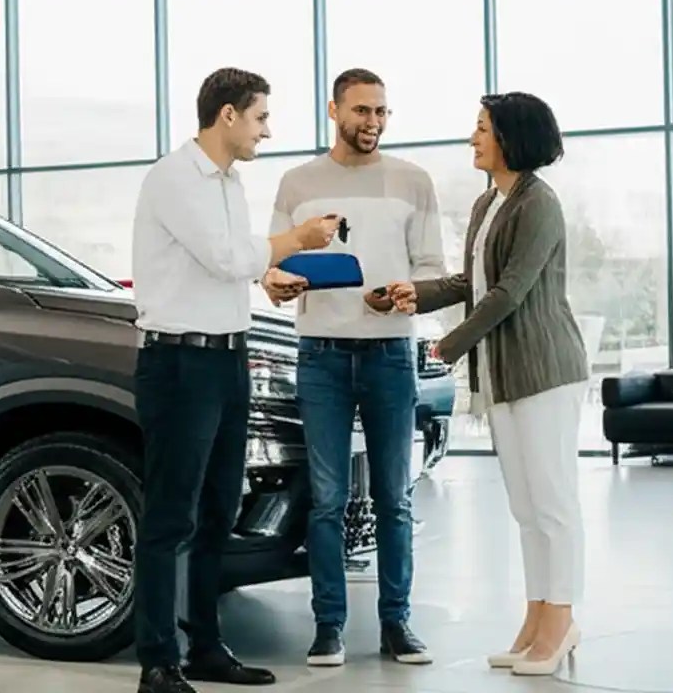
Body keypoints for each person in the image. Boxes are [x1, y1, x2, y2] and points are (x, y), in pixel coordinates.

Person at [130, 67, 340, 693]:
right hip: (178, 363)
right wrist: (293, 241)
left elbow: (227, 264)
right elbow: (225, 255)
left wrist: (270, 274)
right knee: (171, 515)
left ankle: (204, 648)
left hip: (225, 359)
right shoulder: (174, 178)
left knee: (219, 507)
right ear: (227, 115)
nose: (266, 131)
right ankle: (157, 663)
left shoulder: (230, 185)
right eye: (260, 118)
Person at [386, 91, 588, 677]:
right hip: (503, 375)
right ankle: (537, 617)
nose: (472, 138)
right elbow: (472, 281)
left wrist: (446, 346)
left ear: (510, 137)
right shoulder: (488, 204)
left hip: (545, 371)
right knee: (527, 508)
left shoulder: (538, 205)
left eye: (481, 129)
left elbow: (509, 293)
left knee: (553, 503)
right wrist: (416, 294)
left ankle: (562, 619)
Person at [264, 68, 444, 668]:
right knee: (327, 499)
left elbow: (431, 268)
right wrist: (280, 286)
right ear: (335, 110)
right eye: (362, 111)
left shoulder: (413, 182)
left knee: (395, 496)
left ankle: (397, 623)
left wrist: (401, 292)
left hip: (391, 352)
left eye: (382, 112)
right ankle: (328, 628)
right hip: (320, 354)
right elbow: (274, 264)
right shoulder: (297, 182)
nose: (373, 122)